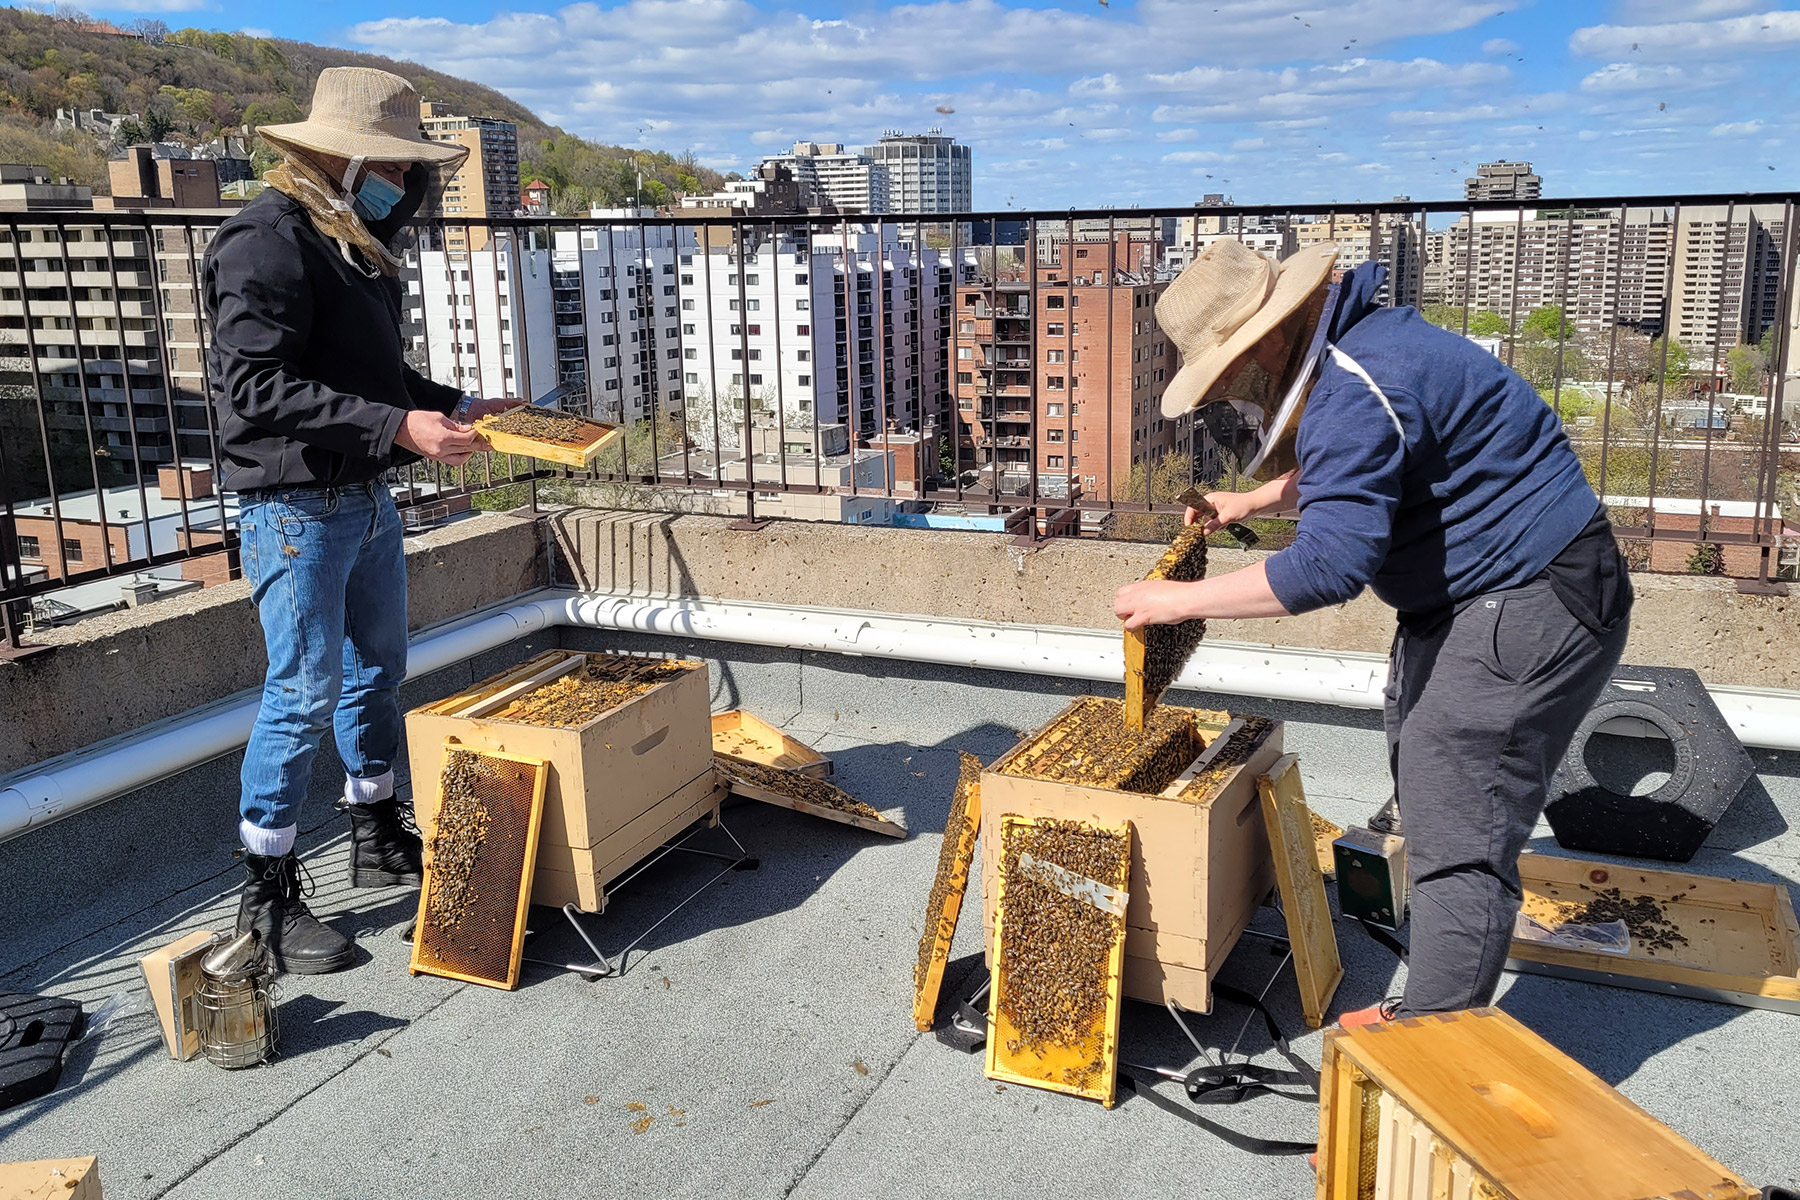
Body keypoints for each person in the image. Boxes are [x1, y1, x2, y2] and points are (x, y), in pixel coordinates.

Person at [1114, 239, 1632, 1020]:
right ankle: (1450, 962)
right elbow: (1365, 460)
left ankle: (1429, 1049)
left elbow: (1328, 566)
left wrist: (1175, 602)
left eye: (1228, 373)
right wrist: (1252, 502)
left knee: (1459, 821)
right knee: (1426, 767)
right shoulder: (1369, 348)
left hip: (1526, 599)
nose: (1230, 389)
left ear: (1273, 335)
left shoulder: (1358, 382)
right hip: (1504, 589)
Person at [204, 67, 518, 973]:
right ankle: (263, 899)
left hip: (364, 495)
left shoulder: (347, 241)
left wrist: (456, 403)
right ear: (337, 157)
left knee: (377, 669)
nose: (403, 186)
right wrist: (397, 427)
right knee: (301, 691)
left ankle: (374, 829)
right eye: (390, 166)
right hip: (295, 506)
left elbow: (376, 379)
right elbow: (252, 388)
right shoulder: (263, 242)